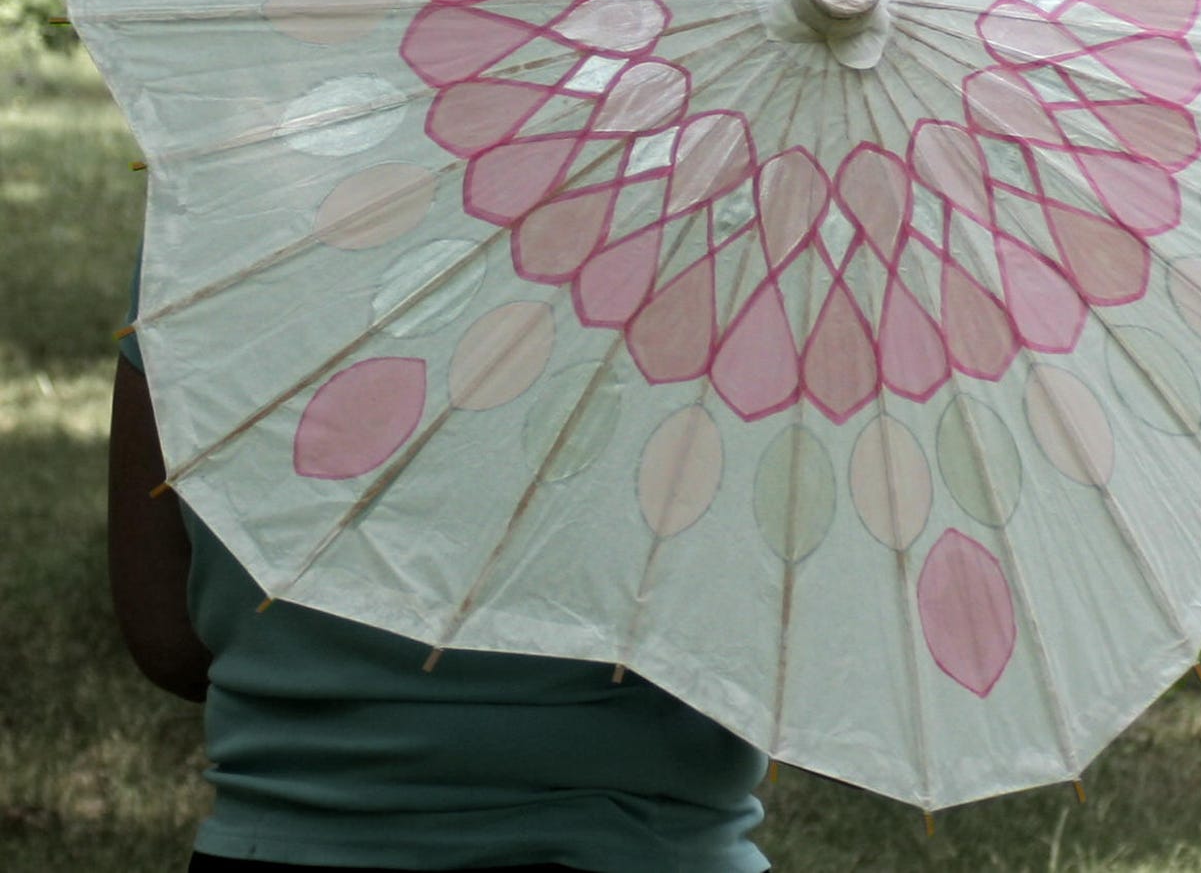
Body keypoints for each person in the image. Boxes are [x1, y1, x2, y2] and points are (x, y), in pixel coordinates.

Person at [108, 254, 771, 873]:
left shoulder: (235, 201)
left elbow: (165, 633)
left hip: (284, 836)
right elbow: (787, 654)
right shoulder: (747, 237)